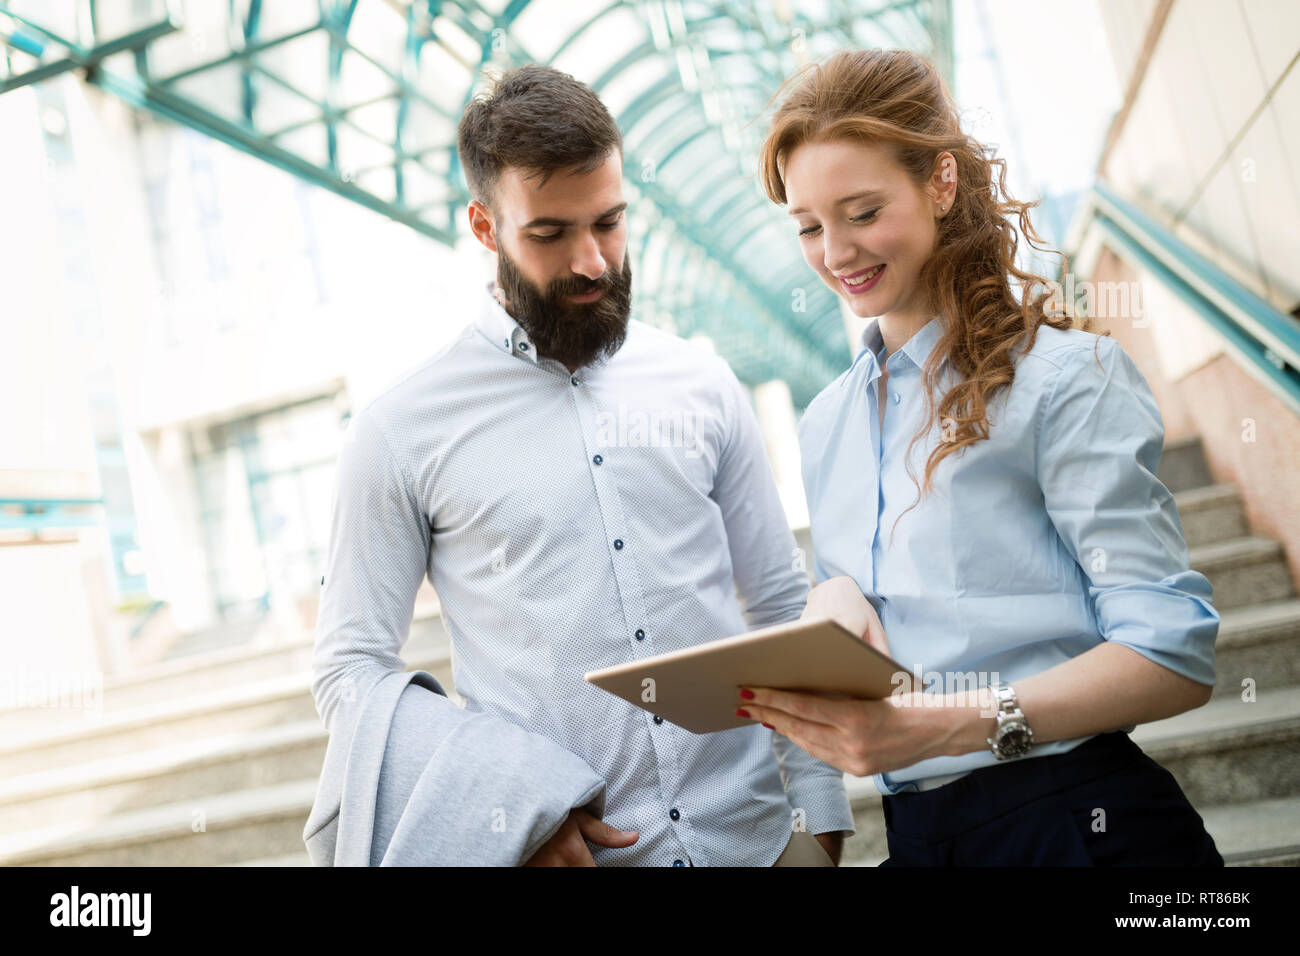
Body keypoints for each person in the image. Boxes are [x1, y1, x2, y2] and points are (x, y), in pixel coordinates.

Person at [309, 63, 854, 867]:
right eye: (550, 233)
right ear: (486, 228)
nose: (594, 261)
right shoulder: (400, 431)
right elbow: (350, 670)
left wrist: (821, 824)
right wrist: (511, 805)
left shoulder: (702, 384)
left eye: (610, 222)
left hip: (762, 846)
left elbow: (777, 603)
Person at [732, 48, 1224, 866]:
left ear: (943, 183)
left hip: (1075, 826)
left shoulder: (1064, 379)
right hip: (921, 838)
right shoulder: (826, 425)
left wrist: (941, 723)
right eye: (810, 227)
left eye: (862, 211)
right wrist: (838, 599)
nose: (837, 252)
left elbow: (1172, 652)